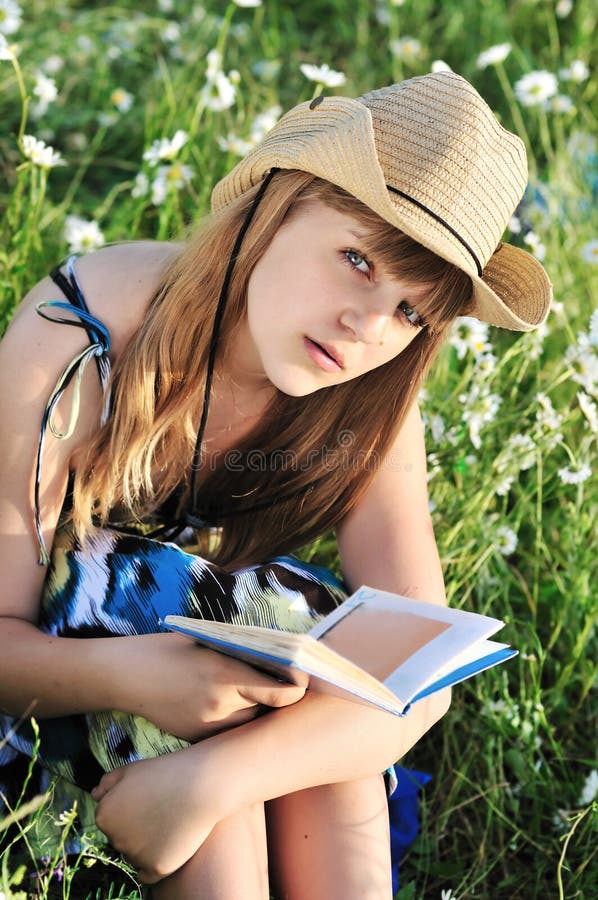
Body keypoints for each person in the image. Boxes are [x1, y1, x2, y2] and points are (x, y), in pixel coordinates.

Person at [0, 71, 551, 899]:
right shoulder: (81, 336)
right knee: (218, 669)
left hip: (219, 736)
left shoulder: (368, 397)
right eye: (358, 260)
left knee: (304, 687)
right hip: (60, 701)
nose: (367, 327)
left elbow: (423, 675)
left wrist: (214, 779)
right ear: (277, 205)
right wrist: (143, 680)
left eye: (410, 312)